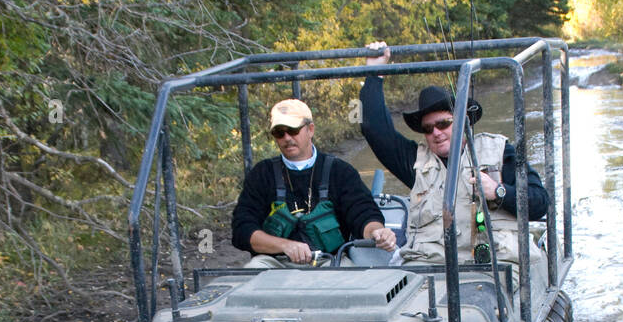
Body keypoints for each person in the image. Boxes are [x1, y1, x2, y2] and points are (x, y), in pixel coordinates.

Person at [359, 42, 548, 266]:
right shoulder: (415, 161)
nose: (436, 133)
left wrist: (498, 191)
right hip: (430, 264)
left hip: (494, 264)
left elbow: (540, 203)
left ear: (462, 120)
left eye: (443, 124)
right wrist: (374, 72)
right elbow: (374, 128)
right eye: (428, 128)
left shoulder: (499, 150)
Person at [231, 98, 396, 263]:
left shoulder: (341, 172)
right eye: (279, 132)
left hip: (330, 261)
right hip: (274, 263)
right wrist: (285, 246)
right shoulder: (261, 174)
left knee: (348, 276)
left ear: (310, 129)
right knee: (255, 268)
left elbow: (363, 213)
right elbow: (242, 229)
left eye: (293, 130)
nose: (287, 138)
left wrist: (377, 232)